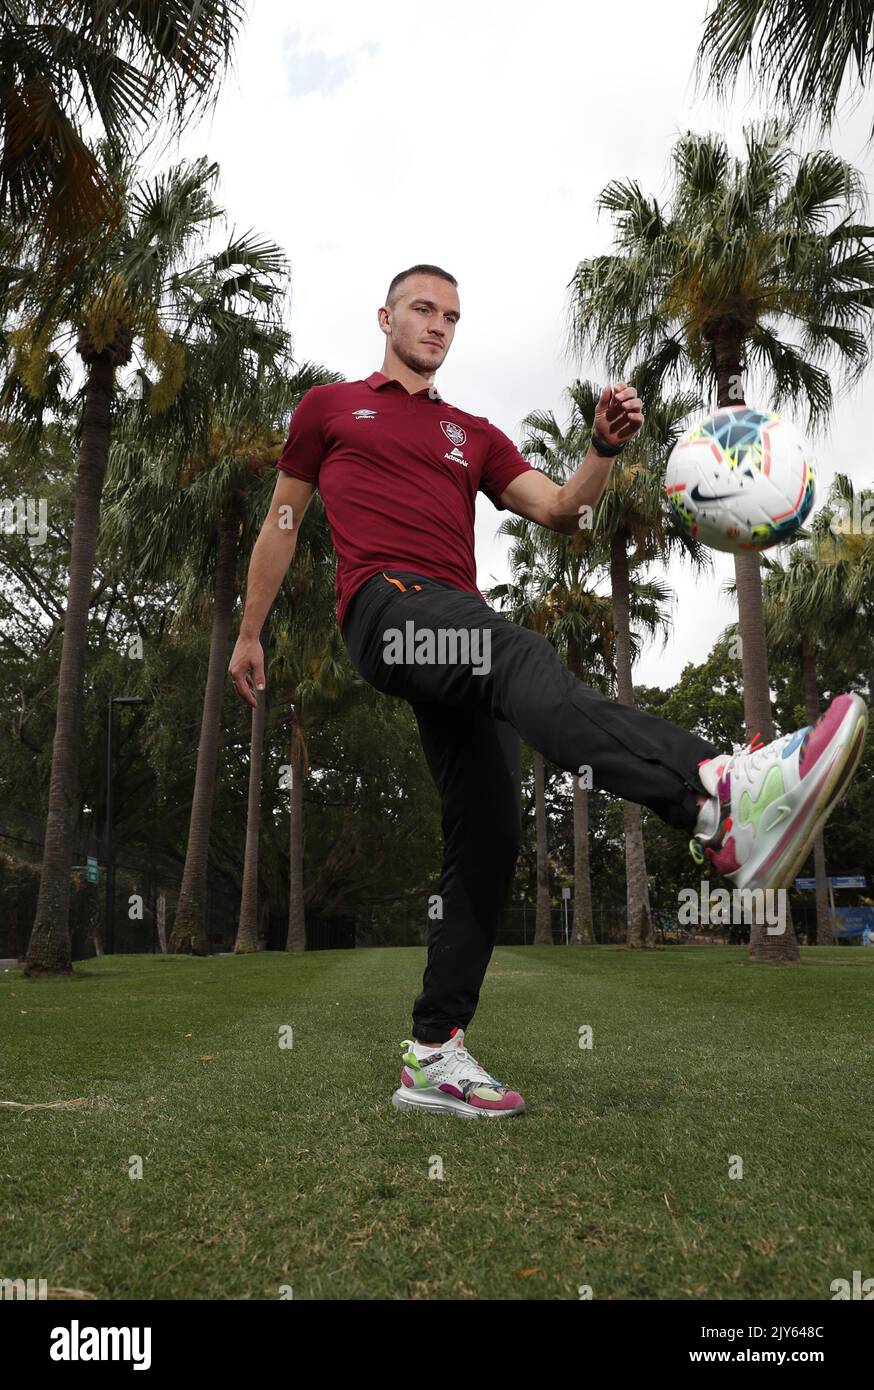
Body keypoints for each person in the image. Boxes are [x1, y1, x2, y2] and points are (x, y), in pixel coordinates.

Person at [229, 264, 869, 1120]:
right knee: (523, 656)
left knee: (489, 834)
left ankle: (433, 1054)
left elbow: (565, 510)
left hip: (455, 620)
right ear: (385, 315)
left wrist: (602, 448)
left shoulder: (474, 434)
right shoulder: (331, 408)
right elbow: (284, 518)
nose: (437, 325)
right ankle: (716, 796)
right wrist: (248, 630)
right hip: (390, 610)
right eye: (422, 309)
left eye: (451, 316)